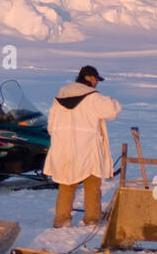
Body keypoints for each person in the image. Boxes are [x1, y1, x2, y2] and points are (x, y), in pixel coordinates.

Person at [44, 65, 121, 227]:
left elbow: (51, 126)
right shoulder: (94, 97)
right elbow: (112, 110)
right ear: (90, 78)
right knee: (92, 184)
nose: (97, 83)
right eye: (96, 80)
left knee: (66, 184)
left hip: (64, 148)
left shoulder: (60, 96)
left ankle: (61, 220)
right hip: (87, 149)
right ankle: (92, 219)